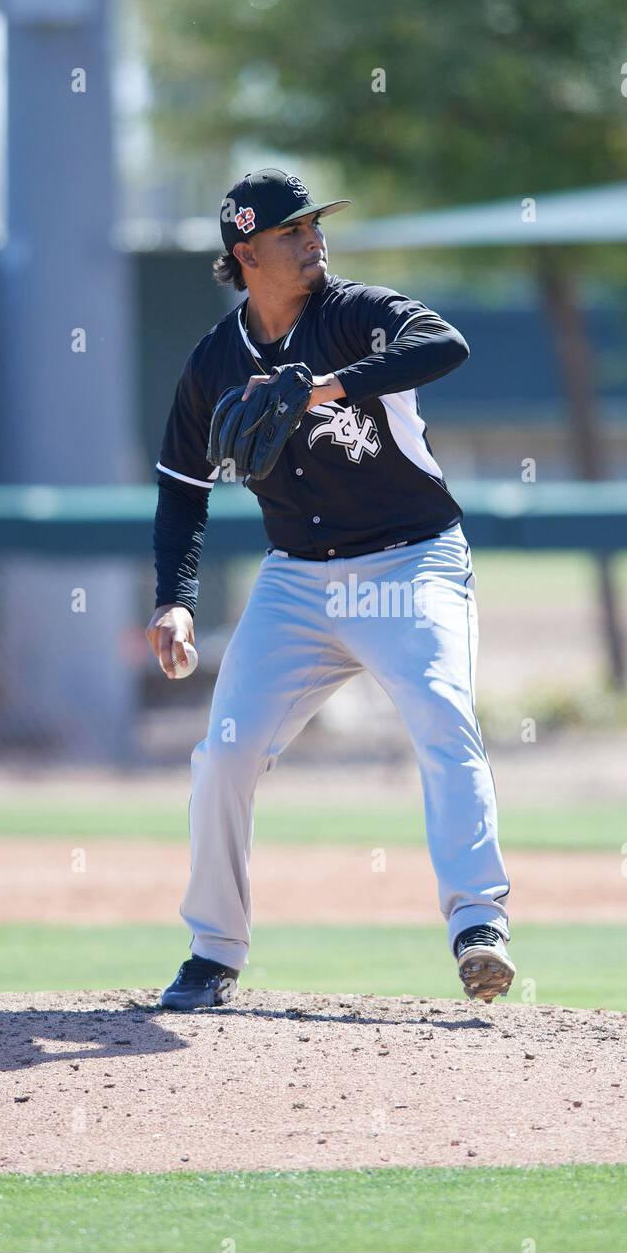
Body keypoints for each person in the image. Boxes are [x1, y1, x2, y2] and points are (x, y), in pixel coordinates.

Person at [146, 168, 514, 1009]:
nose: (313, 239)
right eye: (291, 231)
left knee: (439, 712)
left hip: (410, 561)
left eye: (315, 224)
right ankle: (212, 952)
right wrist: (175, 596)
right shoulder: (212, 363)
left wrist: (331, 382)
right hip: (296, 583)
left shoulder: (356, 313)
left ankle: (477, 924)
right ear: (245, 253)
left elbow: (444, 344)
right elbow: (181, 488)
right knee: (226, 754)